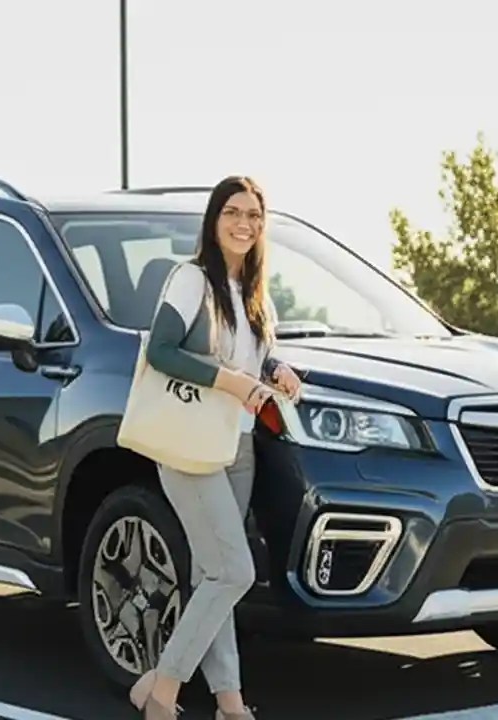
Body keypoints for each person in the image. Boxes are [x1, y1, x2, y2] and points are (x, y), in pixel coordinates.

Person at [128, 176, 301, 719]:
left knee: (213, 576)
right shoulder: (191, 280)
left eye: (254, 215)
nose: (244, 224)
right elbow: (161, 350)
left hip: (237, 445)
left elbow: (253, 359)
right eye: (233, 212)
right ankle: (163, 692)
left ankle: (229, 703)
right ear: (213, 219)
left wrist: (276, 368)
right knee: (235, 571)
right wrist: (232, 382)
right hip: (188, 444)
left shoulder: (253, 294)